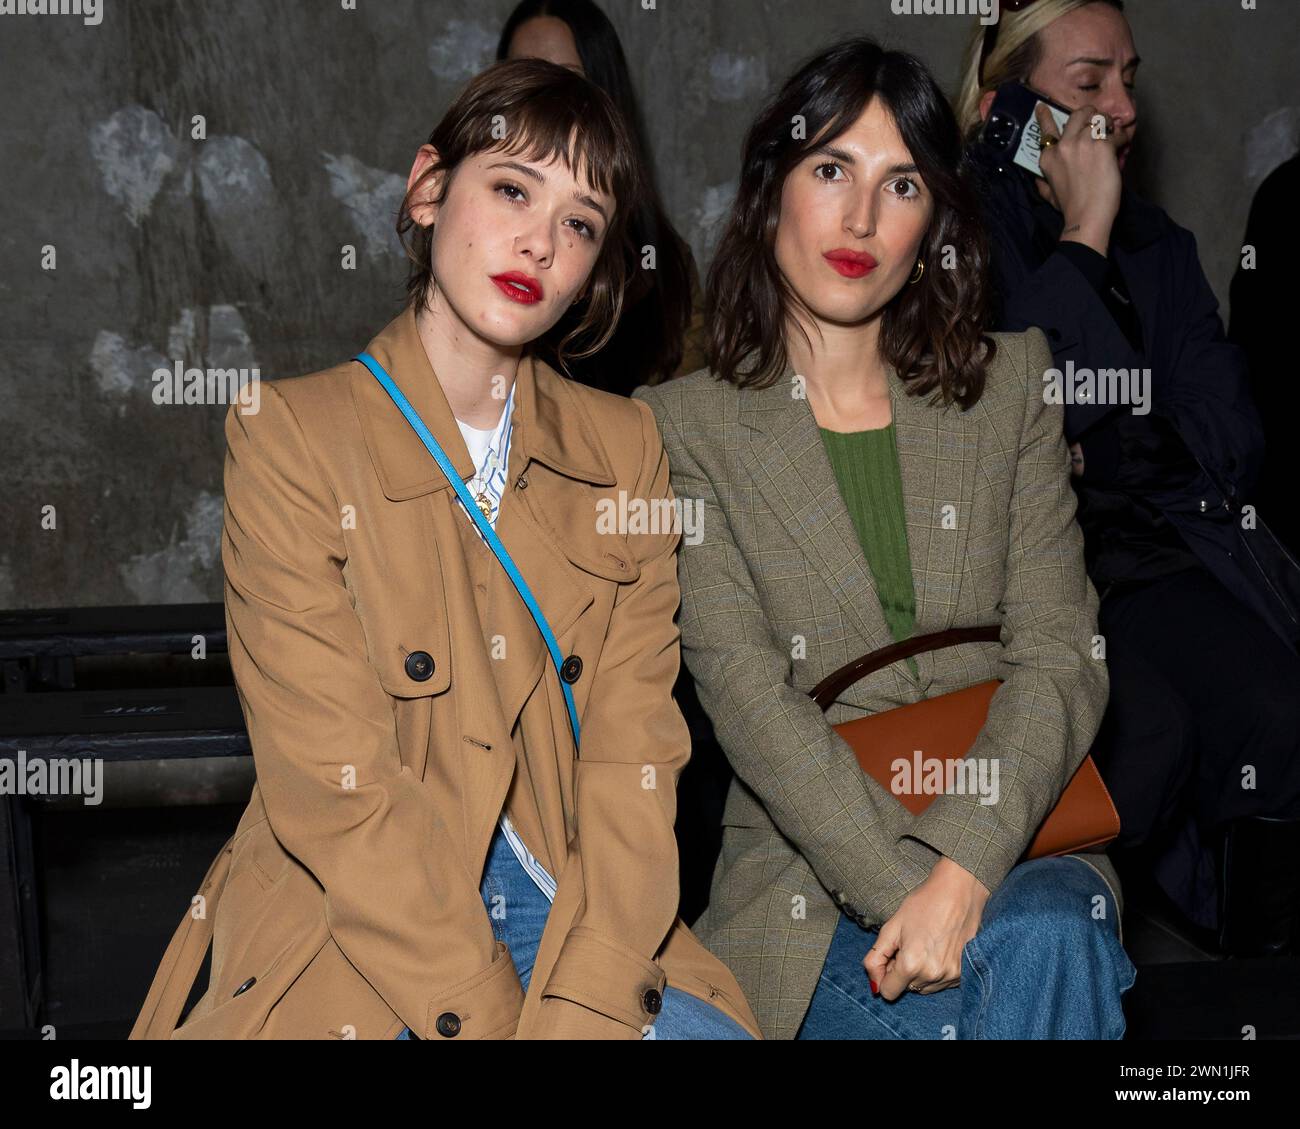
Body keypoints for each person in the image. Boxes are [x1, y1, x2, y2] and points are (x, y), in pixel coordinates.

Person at [130, 58, 758, 1041]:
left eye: (581, 222)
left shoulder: (625, 449)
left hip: (580, 906)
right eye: (512, 188)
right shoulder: (292, 436)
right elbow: (338, 789)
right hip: (364, 926)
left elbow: (639, 755)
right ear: (428, 189)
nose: (540, 242)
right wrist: (486, 1013)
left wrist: (585, 1004)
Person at [634, 37, 1135, 1039]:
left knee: (1044, 935)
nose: (861, 218)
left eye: (899, 183)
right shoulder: (678, 426)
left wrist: (963, 866)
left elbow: (1060, 659)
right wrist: (912, 885)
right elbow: (746, 699)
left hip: (1020, 833)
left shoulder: (1011, 387)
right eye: (830, 170)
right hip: (806, 884)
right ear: (769, 189)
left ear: (935, 222)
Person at [957, 0, 1300, 955]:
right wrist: (1083, 237)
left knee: (1280, 708)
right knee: (1137, 740)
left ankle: (1251, 993)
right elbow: (1010, 419)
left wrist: (1103, 444)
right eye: (1088, 83)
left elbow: (1233, 434)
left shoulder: (1163, 247)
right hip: (1019, 583)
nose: (1123, 106)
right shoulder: (951, 240)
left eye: (1130, 79)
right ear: (1009, 111)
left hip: (1155, 558)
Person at [498, 0, 706, 392]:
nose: (548, 106)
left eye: (580, 224)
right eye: (525, 77)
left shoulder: (666, 270)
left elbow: (678, 426)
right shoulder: (465, 235)